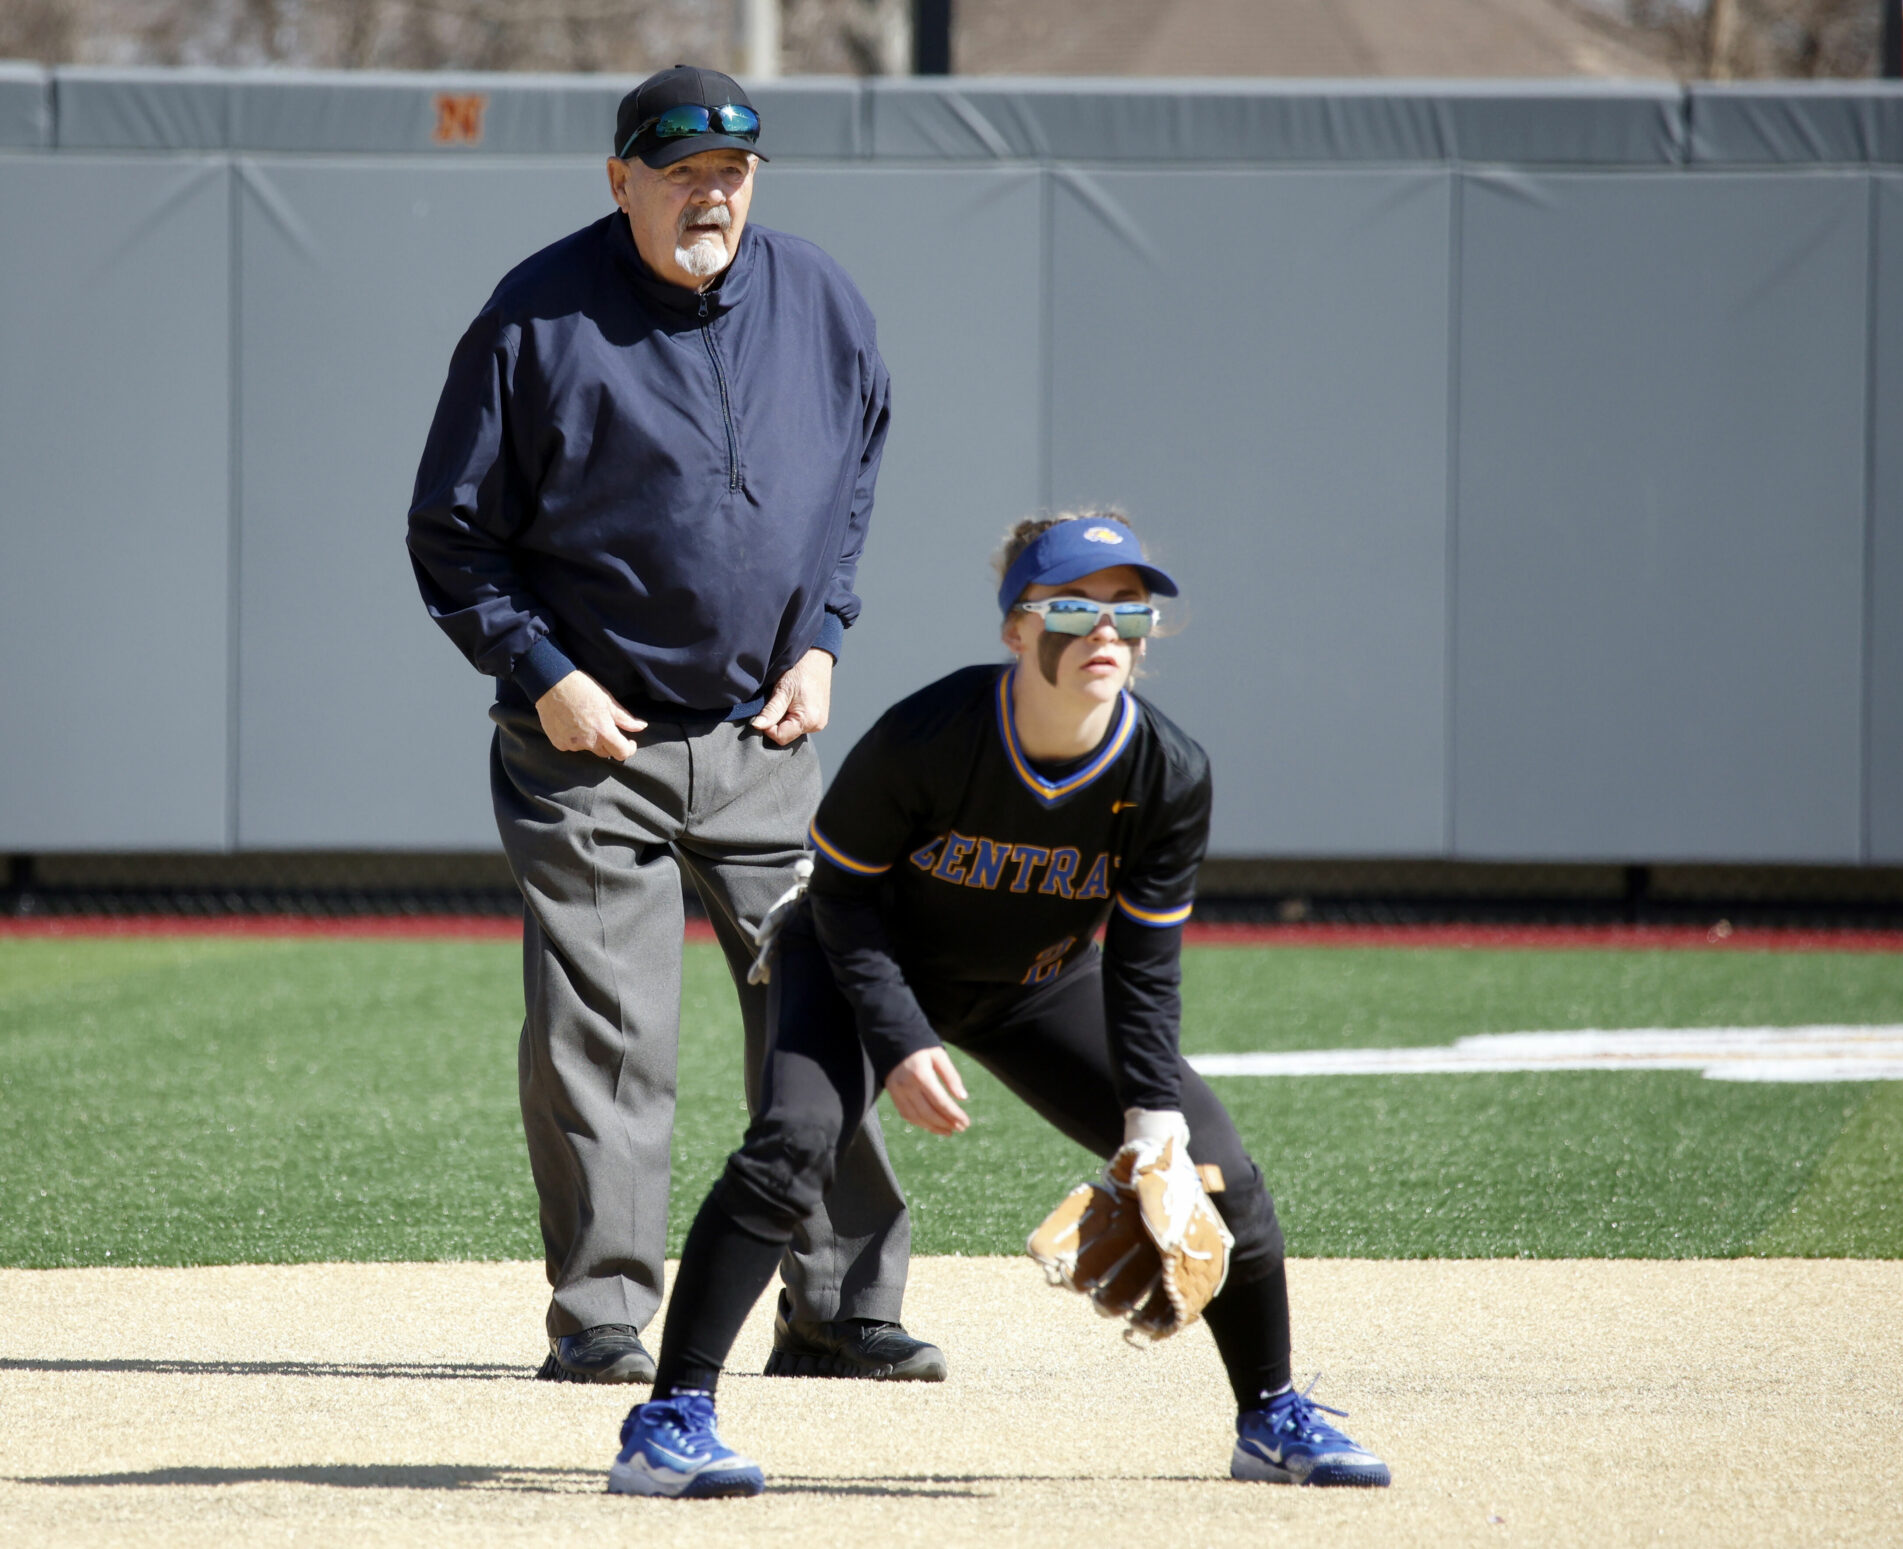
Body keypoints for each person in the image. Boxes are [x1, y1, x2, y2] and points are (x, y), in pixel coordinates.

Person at [603, 512, 1392, 1497]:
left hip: (1033, 984)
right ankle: (671, 1418)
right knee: (794, 1142)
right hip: (860, 962)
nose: (1106, 631)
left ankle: (1271, 1415)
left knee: (1214, 1165)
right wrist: (897, 1040)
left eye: (1128, 610)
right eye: (1073, 606)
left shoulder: (1165, 773)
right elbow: (842, 898)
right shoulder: (932, 736)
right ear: (1019, 627)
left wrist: (1152, 1124)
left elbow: (1144, 966)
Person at [406, 65, 940, 1386]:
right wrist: (540, 672)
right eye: (682, 169)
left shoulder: (818, 301)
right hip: (592, 742)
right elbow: (451, 532)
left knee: (827, 1006)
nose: (712, 194)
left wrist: (825, 635)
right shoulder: (535, 317)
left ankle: (839, 1309)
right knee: (608, 1031)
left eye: (734, 172)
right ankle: (602, 1319)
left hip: (767, 734)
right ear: (620, 178)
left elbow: (855, 469)